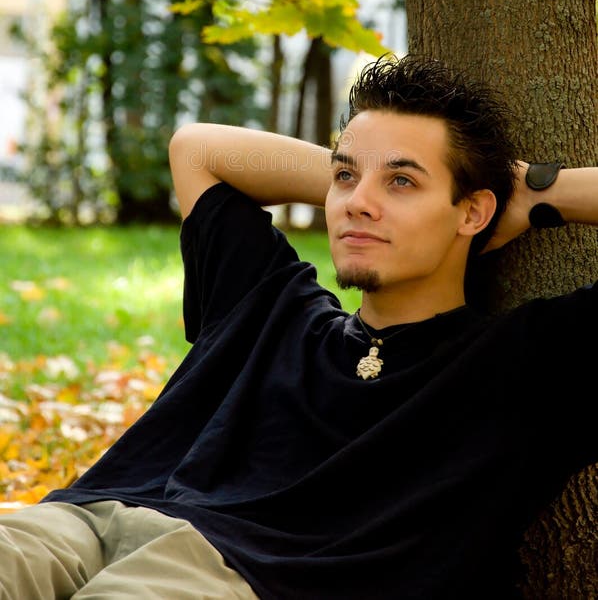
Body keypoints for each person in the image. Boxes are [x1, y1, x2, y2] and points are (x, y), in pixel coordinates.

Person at [0, 54, 596, 600]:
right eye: (345, 178)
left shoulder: (526, 361)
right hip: (86, 523)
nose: (358, 203)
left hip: (229, 576)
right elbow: (197, 148)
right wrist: (360, 179)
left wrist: (542, 193)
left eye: (403, 181)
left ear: (474, 210)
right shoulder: (272, 302)